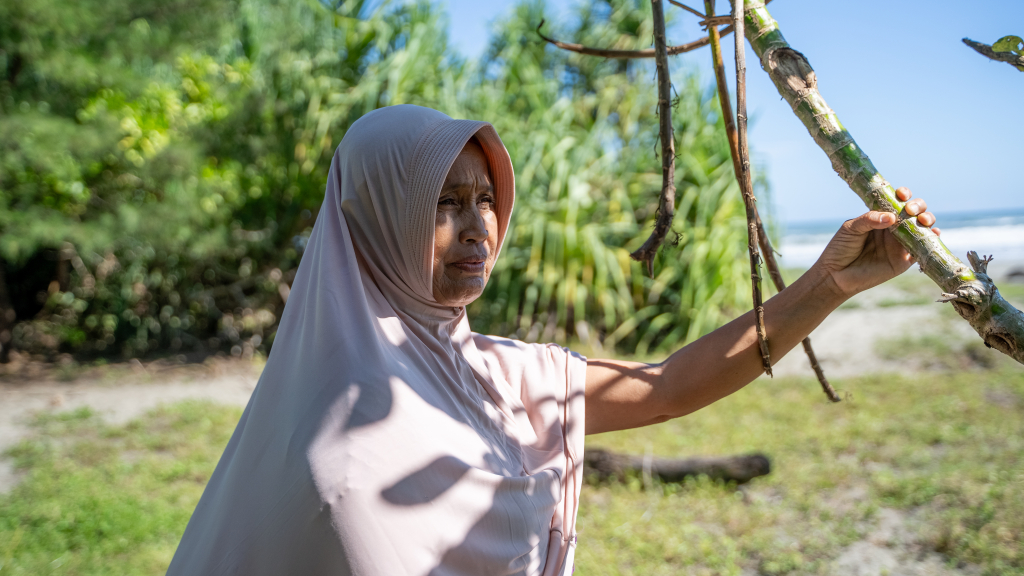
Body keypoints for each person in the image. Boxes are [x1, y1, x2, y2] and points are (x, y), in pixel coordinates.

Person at [166, 105, 938, 576]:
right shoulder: (332, 429)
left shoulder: (500, 372)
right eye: (442, 202)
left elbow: (669, 385)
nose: (477, 229)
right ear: (374, 218)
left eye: (485, 200)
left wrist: (828, 285)